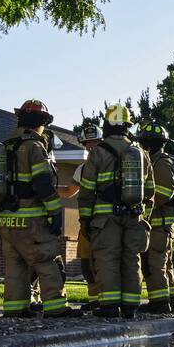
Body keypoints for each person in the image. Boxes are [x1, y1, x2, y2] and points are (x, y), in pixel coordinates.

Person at [0, 99, 76, 318]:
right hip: (31, 221)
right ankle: (56, 307)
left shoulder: (5, 146)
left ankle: (15, 308)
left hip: (6, 220)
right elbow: (42, 184)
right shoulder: (34, 147)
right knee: (47, 260)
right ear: (41, 122)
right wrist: (55, 212)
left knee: (15, 266)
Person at [77, 103, 154, 319]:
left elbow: (87, 190)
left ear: (107, 125)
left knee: (107, 259)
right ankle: (130, 307)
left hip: (105, 219)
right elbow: (150, 190)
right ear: (128, 125)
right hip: (134, 216)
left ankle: (110, 306)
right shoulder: (140, 153)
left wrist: (85, 219)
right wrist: (143, 215)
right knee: (132, 259)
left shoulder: (98, 153)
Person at [136, 123, 174, 315]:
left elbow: (164, 193)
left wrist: (144, 201)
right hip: (160, 226)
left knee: (154, 265)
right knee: (163, 264)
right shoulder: (156, 161)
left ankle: (160, 303)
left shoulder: (161, 163)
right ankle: (169, 301)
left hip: (158, 226)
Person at [67, 121, 103, 312]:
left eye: (95, 142)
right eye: (88, 143)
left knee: (106, 262)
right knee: (87, 263)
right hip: (87, 224)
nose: (91, 146)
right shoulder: (81, 169)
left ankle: (110, 300)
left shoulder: (112, 165)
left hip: (107, 223)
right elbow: (69, 191)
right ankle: (95, 299)